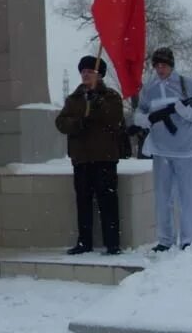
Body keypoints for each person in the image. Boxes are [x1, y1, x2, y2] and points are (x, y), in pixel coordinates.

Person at [134, 47, 192, 251]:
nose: (160, 69)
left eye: (164, 65)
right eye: (157, 65)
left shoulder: (188, 85)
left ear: (171, 65)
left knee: (187, 197)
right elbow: (140, 112)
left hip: (186, 149)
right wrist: (143, 120)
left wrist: (186, 112)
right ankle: (165, 239)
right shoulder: (149, 88)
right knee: (162, 197)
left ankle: (187, 239)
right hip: (160, 149)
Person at [55, 56, 124, 255]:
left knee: (108, 201)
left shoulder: (110, 96)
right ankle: (84, 242)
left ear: (99, 75)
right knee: (83, 202)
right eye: (83, 71)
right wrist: (78, 123)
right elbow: (61, 122)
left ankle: (112, 243)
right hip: (82, 158)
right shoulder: (74, 98)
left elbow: (115, 119)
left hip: (104, 157)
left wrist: (98, 103)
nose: (85, 74)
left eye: (89, 71)